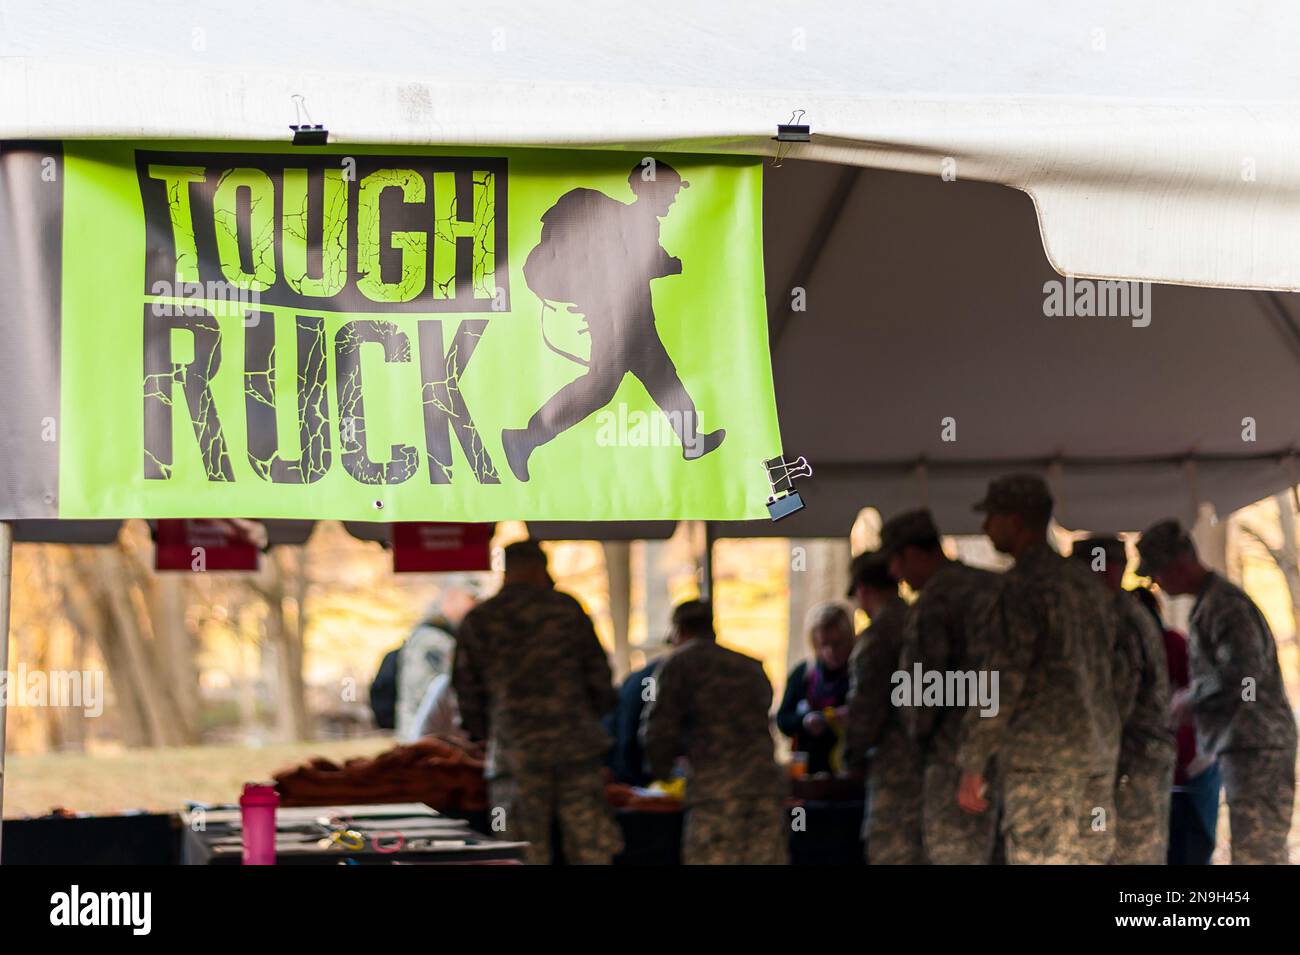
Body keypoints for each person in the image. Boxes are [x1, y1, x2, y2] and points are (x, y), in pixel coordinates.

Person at [504, 161, 725, 481]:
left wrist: (667, 264)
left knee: (659, 378)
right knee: (606, 386)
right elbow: (644, 262)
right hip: (623, 320)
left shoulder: (633, 219)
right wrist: (672, 264)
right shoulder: (640, 220)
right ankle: (525, 438)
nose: (674, 198)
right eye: (672, 192)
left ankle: (692, 441)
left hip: (627, 318)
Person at [956, 474, 1122, 864]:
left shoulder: (1020, 587)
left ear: (1015, 521)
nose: (984, 527)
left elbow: (999, 681)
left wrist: (973, 761)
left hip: (1042, 770)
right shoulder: (1086, 584)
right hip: (1096, 760)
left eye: (991, 517)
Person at [1136, 519, 1297, 864]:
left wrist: (1190, 697)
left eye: (1158, 575)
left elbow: (1246, 676)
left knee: (1259, 852)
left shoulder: (1225, 606)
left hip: (1258, 745)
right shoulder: (1211, 603)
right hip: (1245, 744)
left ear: (1178, 566)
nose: (1157, 585)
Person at [452, 539, 622, 864]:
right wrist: (591, 716)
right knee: (591, 847)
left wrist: (486, 733)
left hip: (516, 752)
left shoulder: (482, 619)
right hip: (576, 749)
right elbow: (600, 676)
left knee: (522, 850)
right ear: (539, 569)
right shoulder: (567, 609)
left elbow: (466, 690)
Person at [884, 508, 1001, 865]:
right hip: (1016, 759)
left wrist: (917, 739)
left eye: (896, 561)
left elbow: (922, 692)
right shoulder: (996, 586)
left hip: (957, 760)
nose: (894, 574)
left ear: (915, 555)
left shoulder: (935, 600)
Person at [641, 599, 788, 864]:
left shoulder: (677, 665)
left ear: (679, 631)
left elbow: (658, 732)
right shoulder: (751, 666)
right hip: (765, 788)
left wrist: (663, 775)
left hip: (714, 795)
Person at [1071, 536, 1176, 865]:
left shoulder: (1116, 617)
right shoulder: (1129, 611)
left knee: (1131, 854)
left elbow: (1115, 701)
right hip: (1141, 758)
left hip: (1131, 761)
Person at [842, 551, 924, 864]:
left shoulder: (877, 638)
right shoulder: (922, 619)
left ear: (863, 589)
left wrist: (852, 755)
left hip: (895, 769)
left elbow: (866, 708)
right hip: (937, 766)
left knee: (892, 852)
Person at [1132, 585, 1221, 865]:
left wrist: (1181, 762)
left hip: (1193, 766)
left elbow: (1192, 702)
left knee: (1192, 848)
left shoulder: (1174, 644)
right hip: (1154, 770)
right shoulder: (1124, 651)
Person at [395, 576, 481, 742]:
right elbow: (434, 694)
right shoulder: (434, 640)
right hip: (424, 745)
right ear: (453, 596)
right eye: (471, 598)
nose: (476, 605)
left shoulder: (442, 635)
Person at [776, 602, 858, 775]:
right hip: (810, 772)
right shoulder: (803, 675)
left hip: (853, 771)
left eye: (838, 643)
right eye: (824, 645)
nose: (831, 651)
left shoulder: (860, 673)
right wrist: (805, 721)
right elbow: (783, 719)